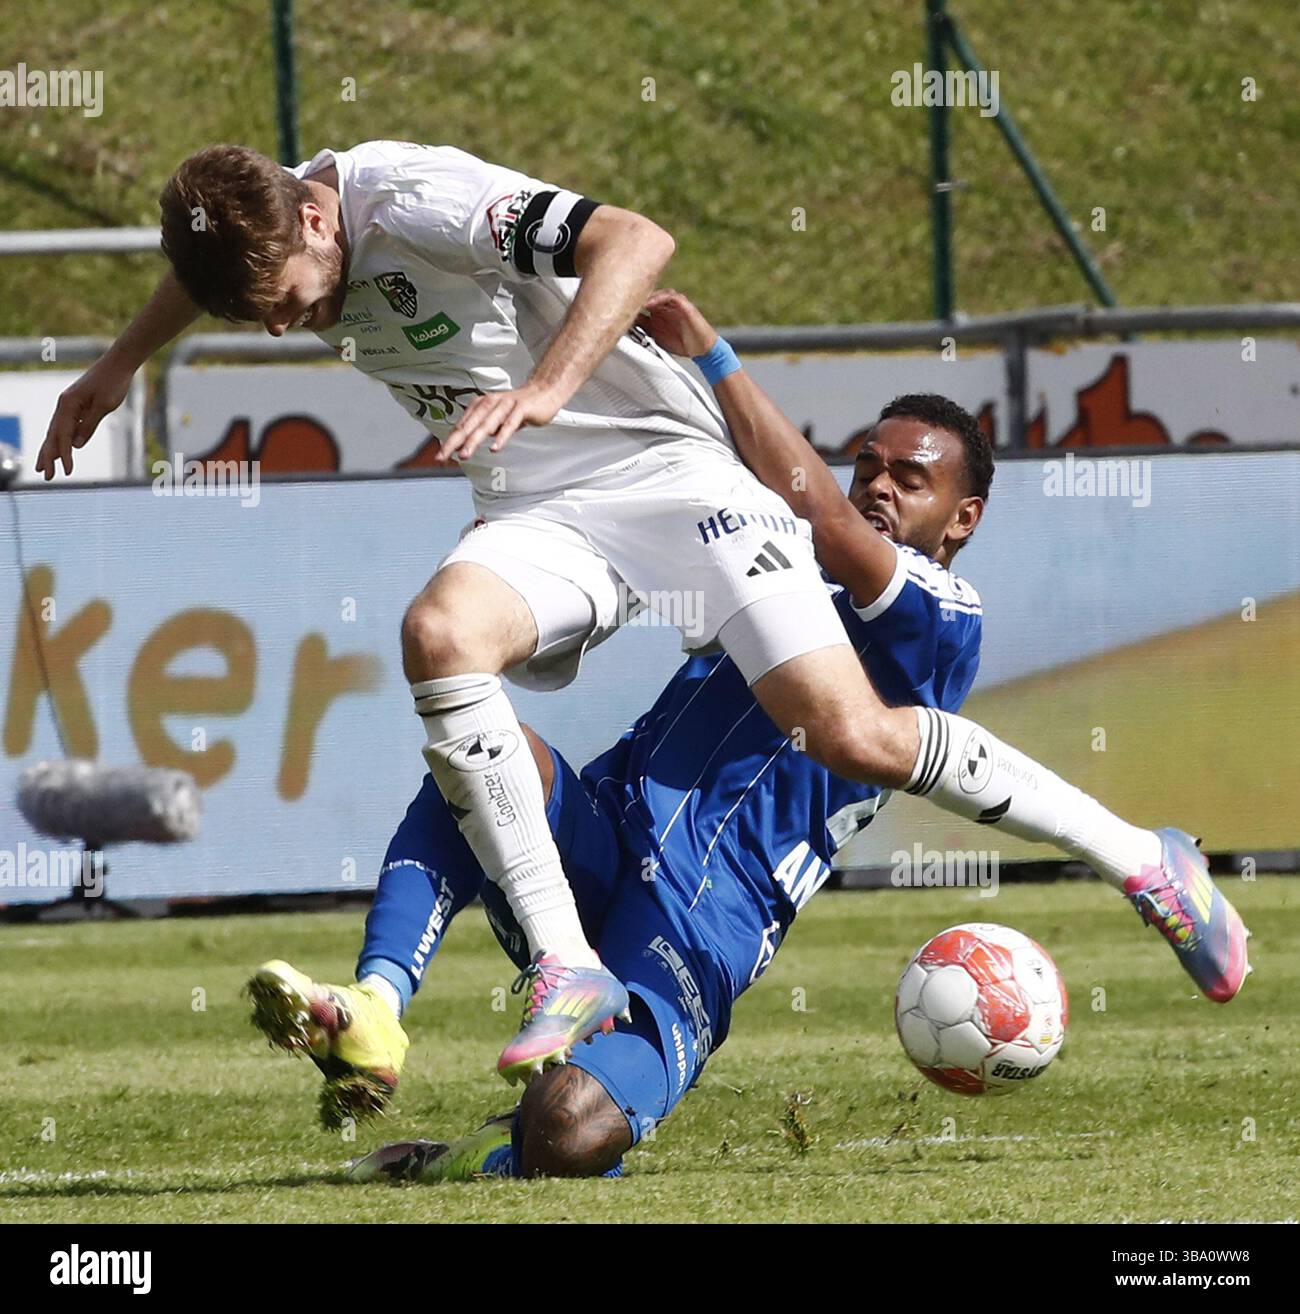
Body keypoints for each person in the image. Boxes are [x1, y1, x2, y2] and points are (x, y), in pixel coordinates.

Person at [40, 141, 1038, 1083]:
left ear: (316, 220)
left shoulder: (417, 202)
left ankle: (1133, 857)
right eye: (254, 311)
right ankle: (438, 992)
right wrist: (122, 358)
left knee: (849, 737)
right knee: (450, 671)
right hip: (551, 556)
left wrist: (551, 387)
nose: (277, 326)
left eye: (283, 302)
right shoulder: (284, 213)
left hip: (655, 508)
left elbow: (640, 245)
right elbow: (227, 231)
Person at [246, 292, 1250, 1179]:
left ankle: (483, 1154)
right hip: (601, 834)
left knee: (567, 1132)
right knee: (474, 742)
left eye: (911, 478)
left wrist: (715, 357)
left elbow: (808, 504)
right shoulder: (765, 566)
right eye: (869, 466)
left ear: (962, 518)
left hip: (701, 929)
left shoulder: (941, 617)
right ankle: (376, 1003)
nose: (879, 486)